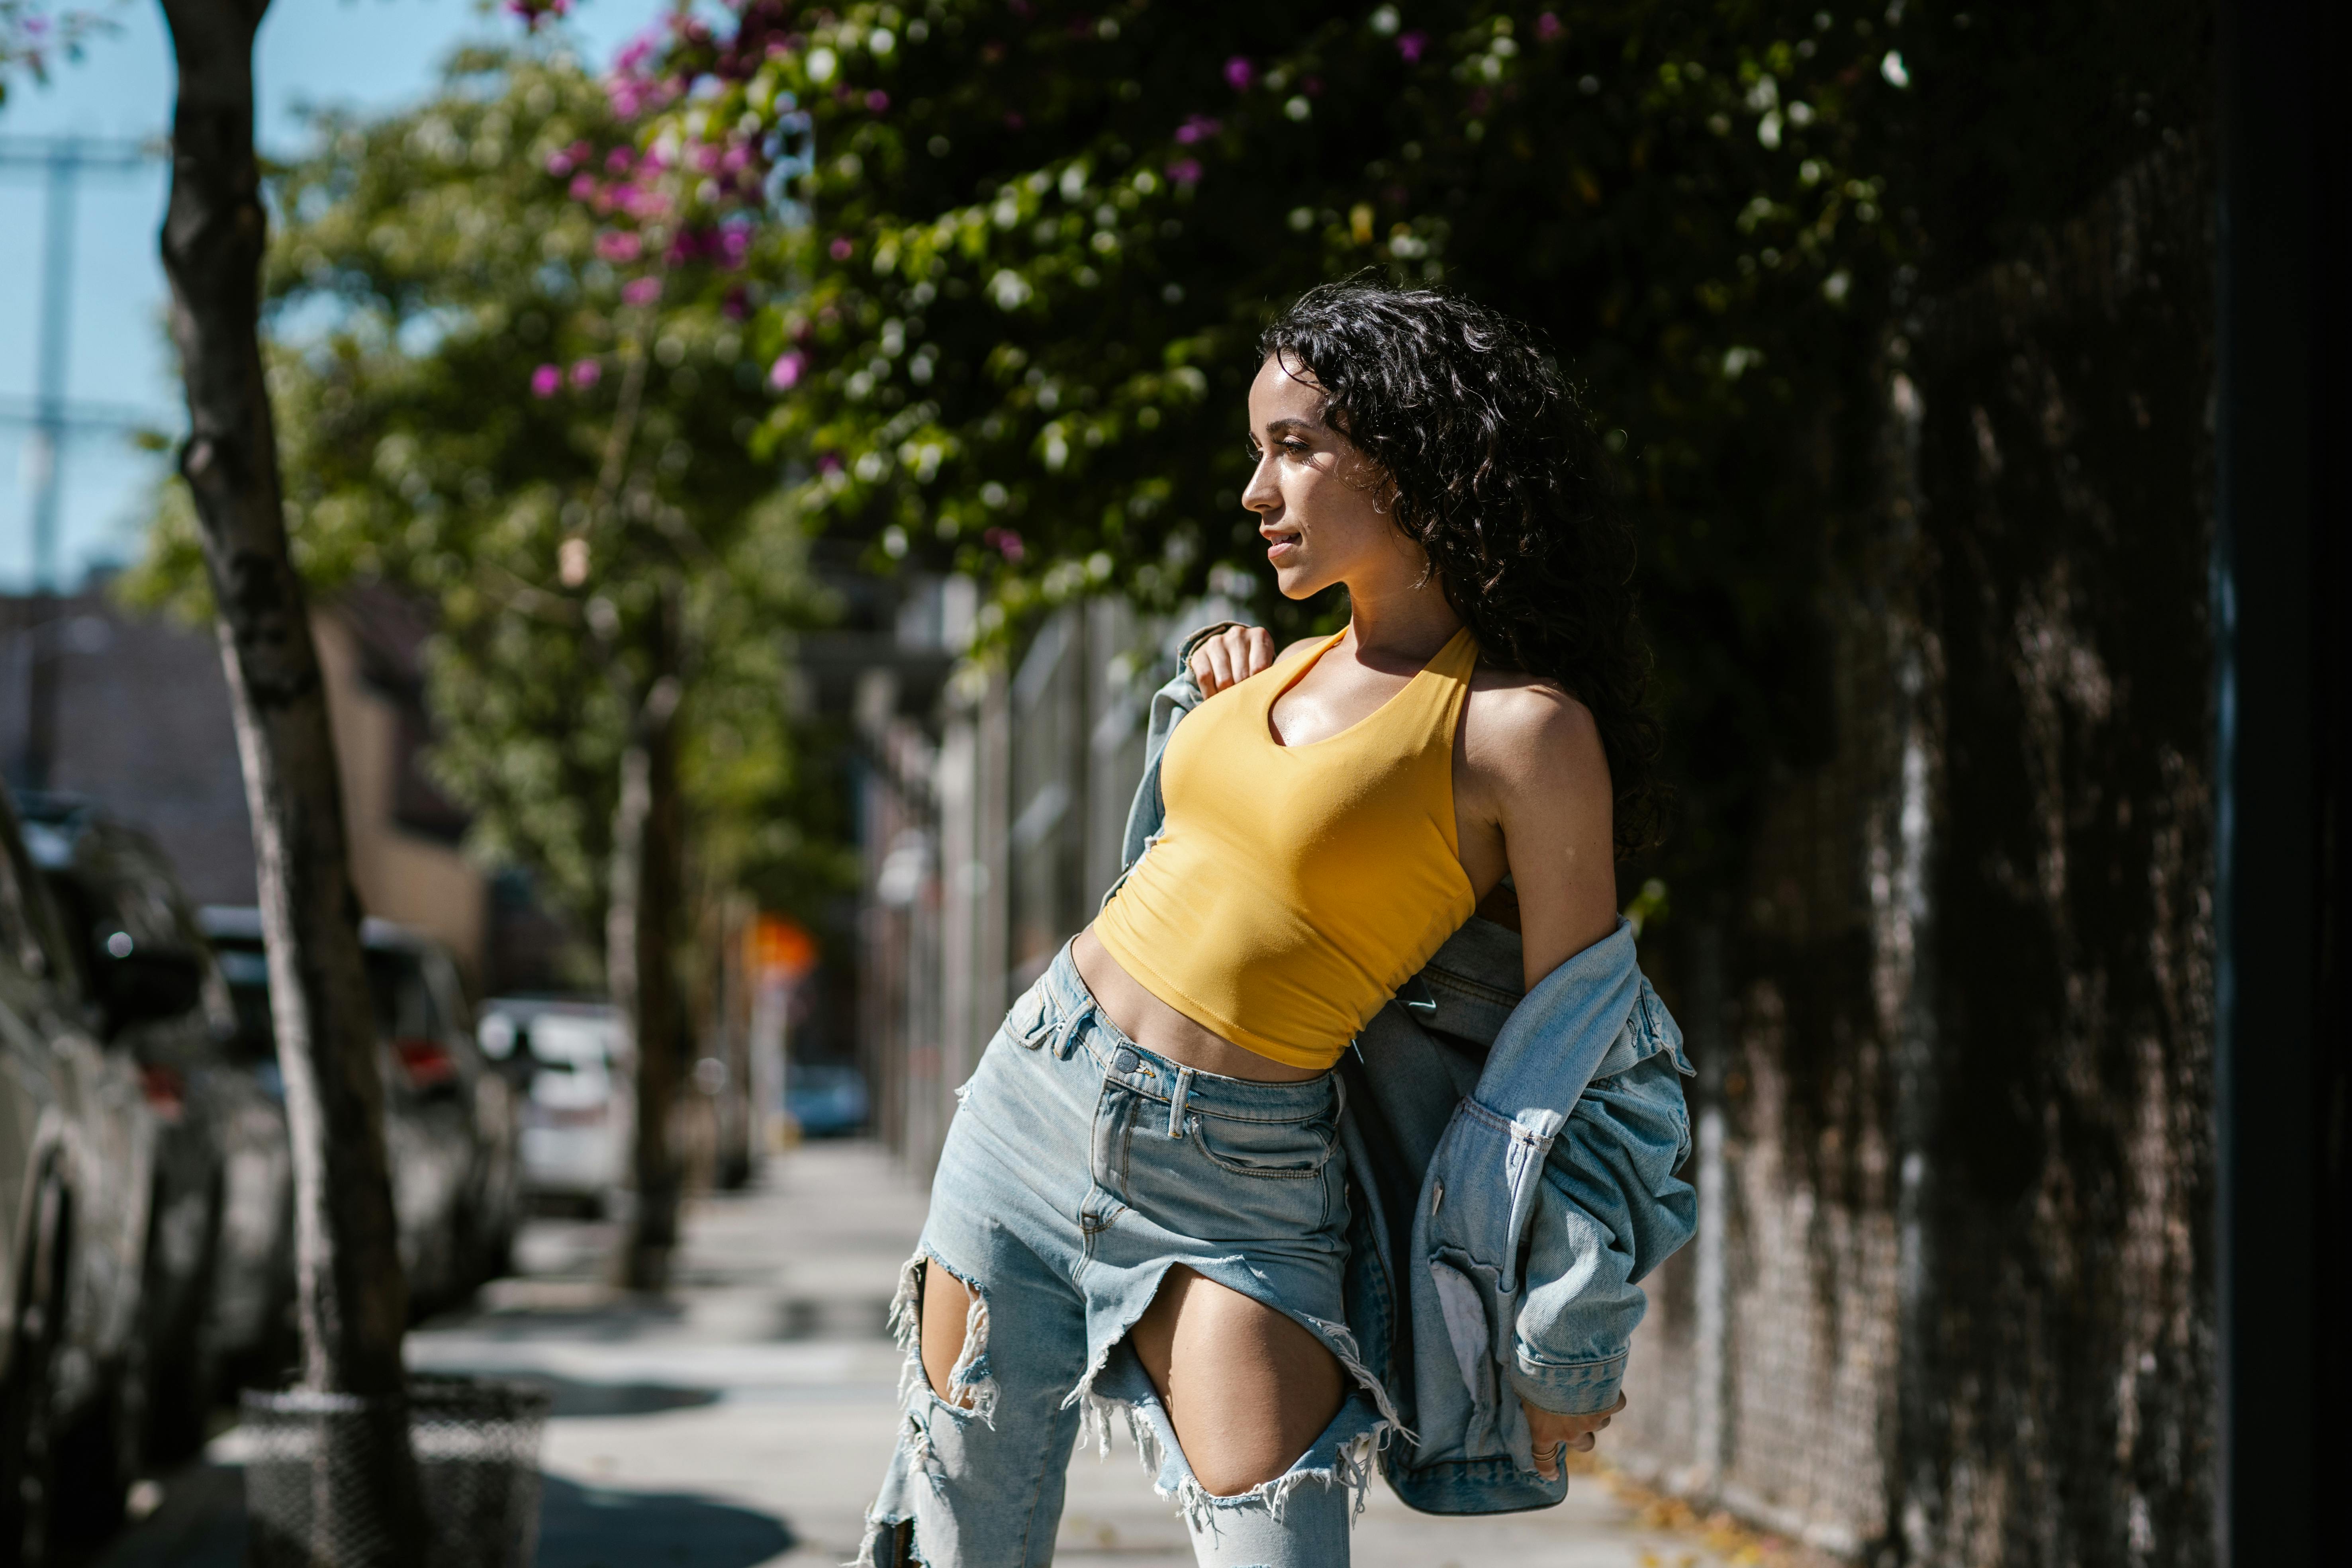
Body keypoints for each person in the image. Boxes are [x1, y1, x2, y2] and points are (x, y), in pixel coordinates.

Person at [859, 280, 1671, 1567]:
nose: (1257, 490)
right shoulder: (1261, 663)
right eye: (1258, 450)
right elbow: (1197, 853)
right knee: (963, 1541)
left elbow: (1579, 1064)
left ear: (1412, 455)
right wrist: (1202, 689)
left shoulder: (1521, 731)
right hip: (1032, 1098)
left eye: (1295, 446)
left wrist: (1570, 1333)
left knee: (1274, 1545)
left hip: (1240, 1178)